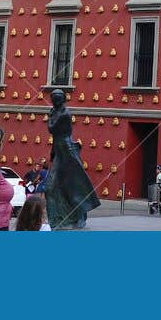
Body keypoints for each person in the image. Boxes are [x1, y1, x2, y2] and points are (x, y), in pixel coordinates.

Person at [44, 90, 100, 229]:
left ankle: (80, 215)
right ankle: (59, 218)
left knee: (72, 185)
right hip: (59, 150)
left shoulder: (64, 114)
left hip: (67, 151)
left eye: (58, 98)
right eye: (54, 98)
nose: (56, 101)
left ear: (63, 99)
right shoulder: (55, 112)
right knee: (51, 187)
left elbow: (52, 129)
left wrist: (50, 116)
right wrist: (53, 152)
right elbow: (55, 136)